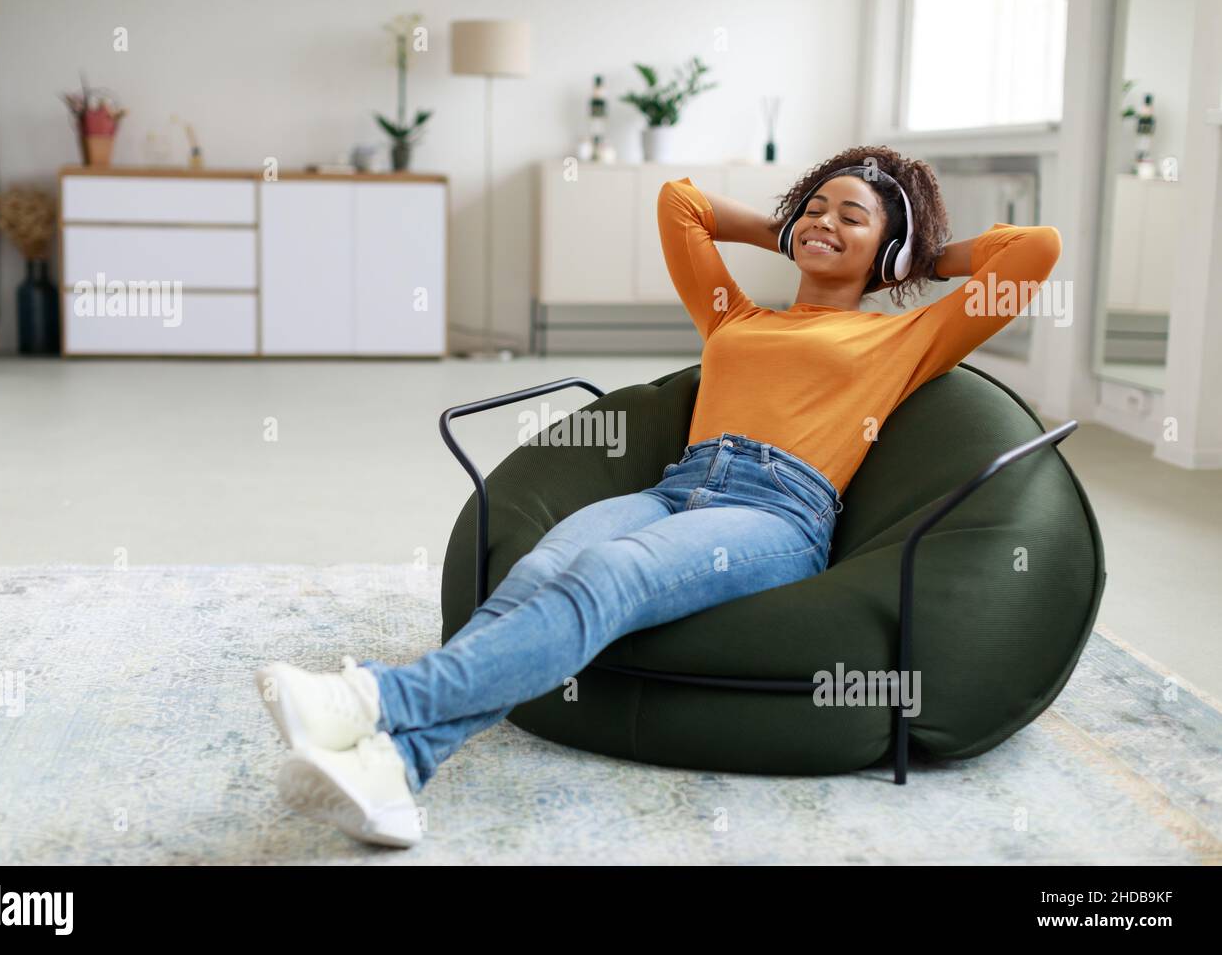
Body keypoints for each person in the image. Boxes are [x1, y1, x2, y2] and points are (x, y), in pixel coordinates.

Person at [255, 144, 1062, 848]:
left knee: (611, 576)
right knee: (540, 571)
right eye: (813, 208)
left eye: (851, 216)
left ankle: (372, 698)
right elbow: (681, 205)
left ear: (890, 248)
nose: (823, 221)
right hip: (679, 487)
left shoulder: (904, 336)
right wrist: (786, 229)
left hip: (776, 511)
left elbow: (1035, 249)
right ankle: (400, 768)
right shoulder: (733, 316)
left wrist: (916, 258)